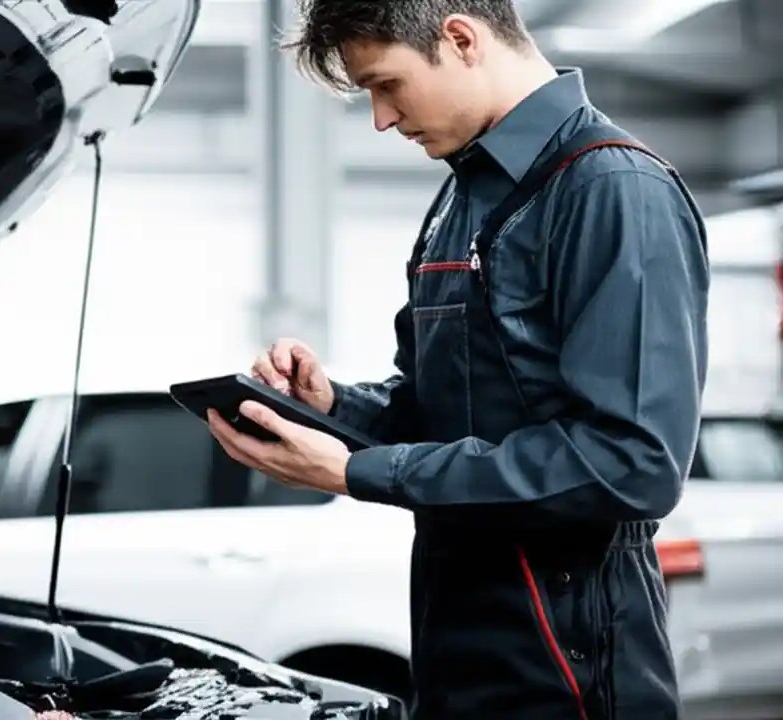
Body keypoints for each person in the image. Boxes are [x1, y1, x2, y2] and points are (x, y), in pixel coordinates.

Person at [203, 1, 709, 718]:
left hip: (571, 673)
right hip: (457, 649)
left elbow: (629, 463)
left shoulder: (612, 190)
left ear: (462, 38)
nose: (380, 118)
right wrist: (332, 407)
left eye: (386, 84)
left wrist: (359, 472)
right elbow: (437, 407)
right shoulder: (462, 197)